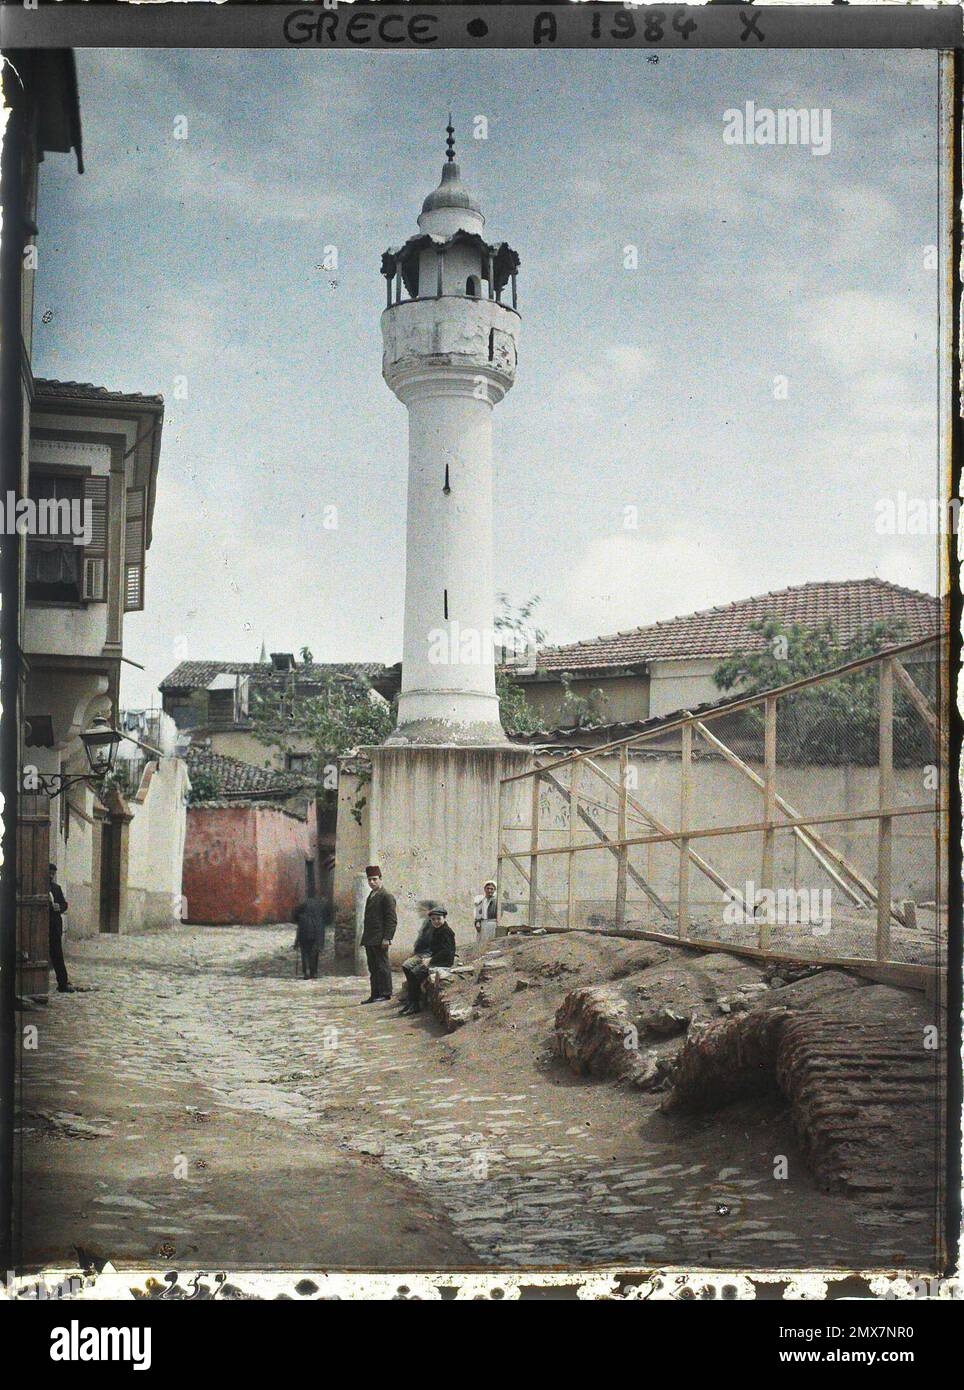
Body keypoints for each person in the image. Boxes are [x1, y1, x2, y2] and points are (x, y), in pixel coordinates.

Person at [400, 905, 456, 1016]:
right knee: (408, 969)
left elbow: (447, 951)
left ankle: (415, 1004)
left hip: (443, 961)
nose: (436, 921)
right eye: (433, 919)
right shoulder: (437, 930)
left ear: (444, 918)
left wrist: (431, 959)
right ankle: (411, 1001)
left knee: (415, 973)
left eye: (438, 919)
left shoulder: (446, 932)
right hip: (435, 958)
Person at [361, 864, 396, 1003]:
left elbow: (391, 919)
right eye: (369, 880)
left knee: (382, 966)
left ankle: (386, 993)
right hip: (370, 938)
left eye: (375, 879)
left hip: (380, 938)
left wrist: (387, 938)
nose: (372, 882)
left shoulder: (386, 896)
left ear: (381, 879)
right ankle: (375, 993)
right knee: (373, 967)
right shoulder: (371, 895)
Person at [48, 863, 74, 994]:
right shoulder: (38, 888)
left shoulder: (56, 888)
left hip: (54, 926)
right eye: (49, 873)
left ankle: (63, 983)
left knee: (57, 955)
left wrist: (60, 907)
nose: (51, 876)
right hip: (40, 927)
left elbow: (64, 904)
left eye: (53, 873)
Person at [292, 894, 327, 979]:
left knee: (305, 952)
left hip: (304, 929)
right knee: (314, 952)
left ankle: (306, 971)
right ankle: (313, 971)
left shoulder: (303, 904)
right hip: (317, 930)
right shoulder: (321, 905)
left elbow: (294, 915)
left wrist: (300, 920)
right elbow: (327, 917)